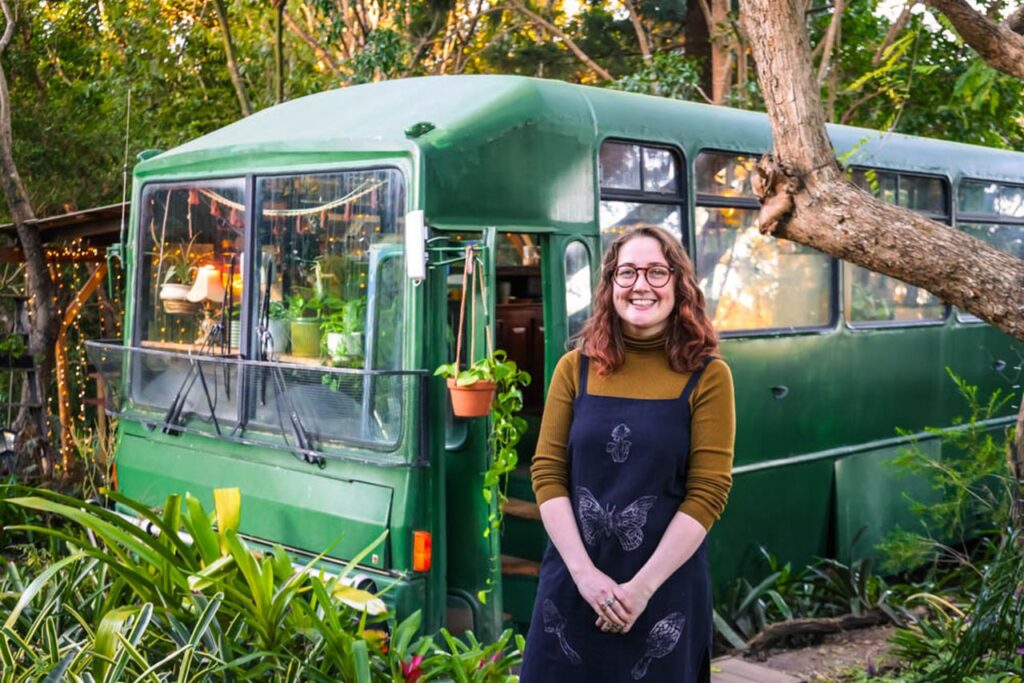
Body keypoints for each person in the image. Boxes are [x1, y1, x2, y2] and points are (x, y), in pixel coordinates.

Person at [519, 226, 735, 682]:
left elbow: (708, 492)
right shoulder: (573, 369)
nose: (641, 285)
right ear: (610, 285)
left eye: (657, 272)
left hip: (663, 588)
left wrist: (640, 590)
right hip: (575, 583)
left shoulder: (709, 377)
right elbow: (547, 473)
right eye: (628, 272)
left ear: (679, 284)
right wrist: (584, 576)